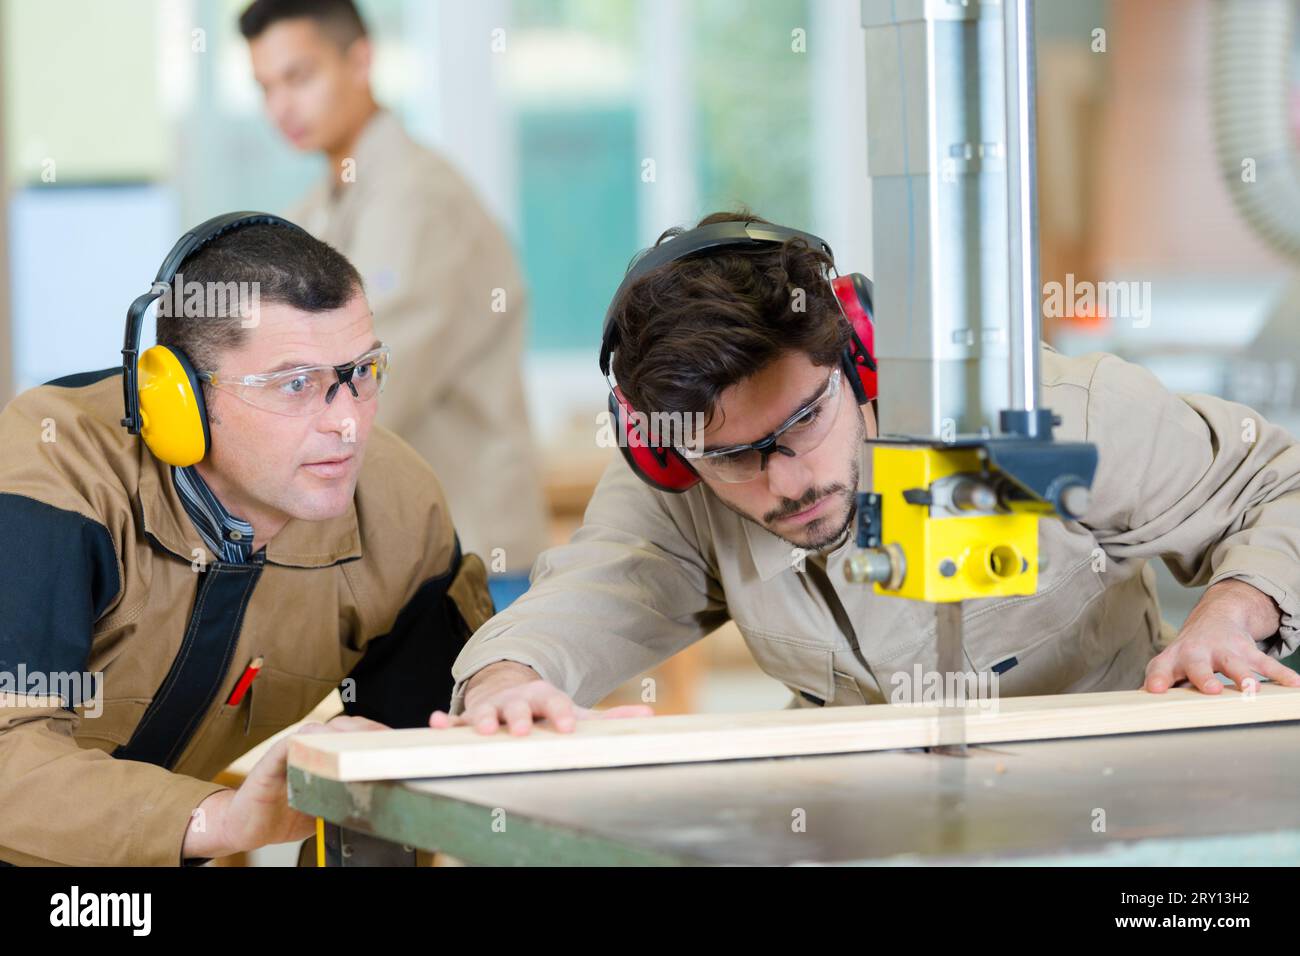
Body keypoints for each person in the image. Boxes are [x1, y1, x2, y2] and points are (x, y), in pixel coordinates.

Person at [436, 210, 1300, 736]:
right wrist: (509, 685)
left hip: (1107, 817)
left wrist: (1234, 612)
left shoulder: (1038, 416)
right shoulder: (683, 473)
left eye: (805, 420)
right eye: (735, 456)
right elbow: (578, 604)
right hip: (865, 820)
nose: (786, 483)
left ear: (861, 361)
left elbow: (1281, 480)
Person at [0, 213, 493, 865]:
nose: (348, 425)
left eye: (363, 372)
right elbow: (9, 759)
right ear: (179, 399)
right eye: (296, 384)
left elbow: (402, 775)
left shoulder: (398, 507)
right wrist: (224, 820)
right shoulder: (52, 476)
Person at [240, 0, 549, 599]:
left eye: (299, 77)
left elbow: (365, 389)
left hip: (474, 558)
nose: (280, 107)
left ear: (361, 60)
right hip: (410, 557)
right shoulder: (324, 204)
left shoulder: (419, 200)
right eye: (265, 87)